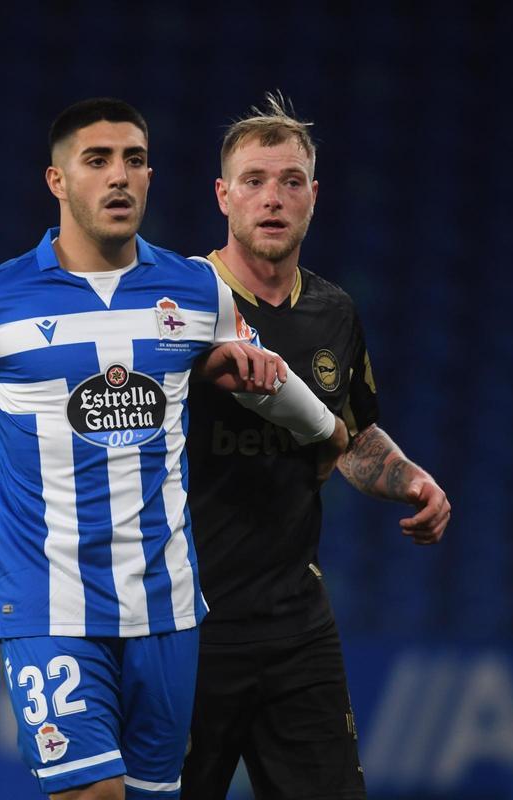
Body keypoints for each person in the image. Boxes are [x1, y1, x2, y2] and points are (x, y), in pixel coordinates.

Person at [0, 98, 348, 800]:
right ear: (58, 181)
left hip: (166, 608)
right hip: (50, 605)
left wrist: (326, 431)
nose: (119, 177)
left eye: (134, 160)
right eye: (97, 161)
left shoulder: (196, 290)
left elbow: (259, 376)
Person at [180, 94, 453, 800]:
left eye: (291, 181)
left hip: (296, 628)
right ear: (223, 196)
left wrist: (412, 480)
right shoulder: (175, 301)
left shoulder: (334, 311)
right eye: (254, 180)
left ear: (313, 196)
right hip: (180, 628)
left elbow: (350, 436)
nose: (273, 198)